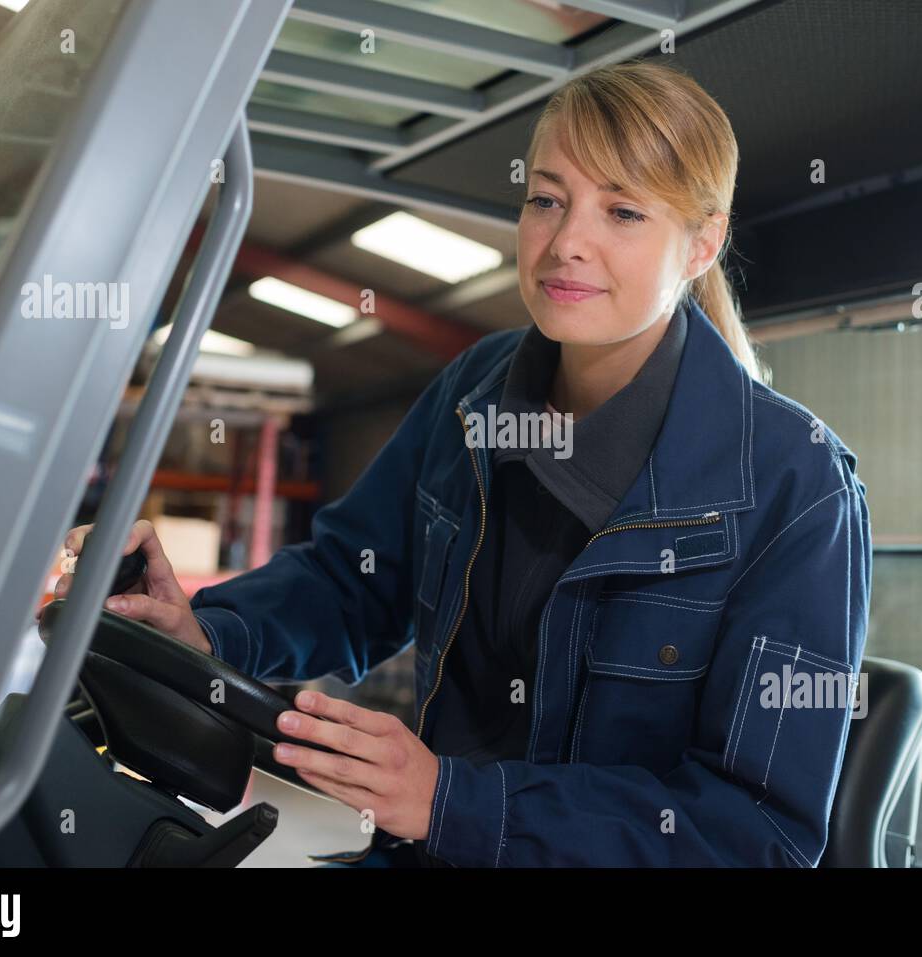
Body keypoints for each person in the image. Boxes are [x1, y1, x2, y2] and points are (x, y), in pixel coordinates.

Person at [45, 60, 871, 867]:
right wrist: (209, 632)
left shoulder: (798, 489)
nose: (565, 243)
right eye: (546, 199)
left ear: (702, 245)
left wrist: (453, 801)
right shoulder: (475, 392)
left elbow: (754, 833)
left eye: (622, 212)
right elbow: (351, 579)